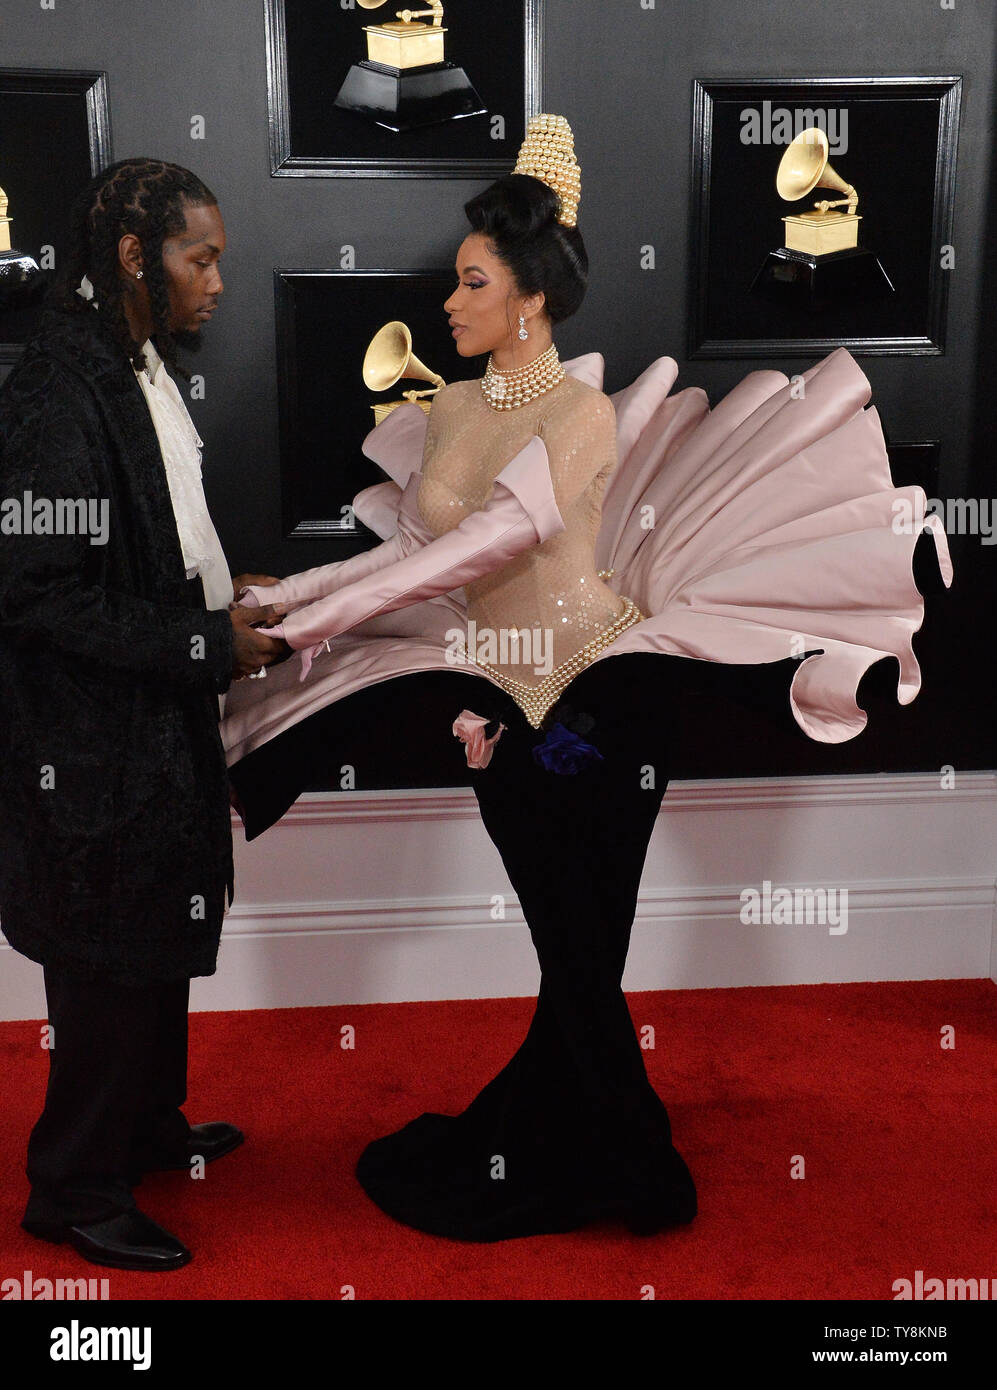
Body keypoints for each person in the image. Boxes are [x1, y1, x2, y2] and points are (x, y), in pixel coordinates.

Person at [222, 116, 952, 1240]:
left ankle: (623, 1163)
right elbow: (416, 554)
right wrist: (289, 601)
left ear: (529, 300)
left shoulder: (573, 412)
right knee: (572, 943)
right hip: (498, 689)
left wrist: (309, 615)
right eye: (452, 283)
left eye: (471, 283)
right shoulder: (456, 406)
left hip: (602, 700)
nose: (449, 303)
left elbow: (486, 549)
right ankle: (604, 1143)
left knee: (577, 938)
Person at [0, 158, 290, 1271]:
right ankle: (71, 1186)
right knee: (107, 963)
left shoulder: (140, 363)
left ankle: (146, 1127)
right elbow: (36, 593)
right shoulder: (53, 394)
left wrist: (228, 595)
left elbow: (158, 533)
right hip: (83, 744)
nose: (217, 280)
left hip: (148, 723)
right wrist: (202, 642)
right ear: (133, 257)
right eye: (199, 258)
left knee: (154, 939)